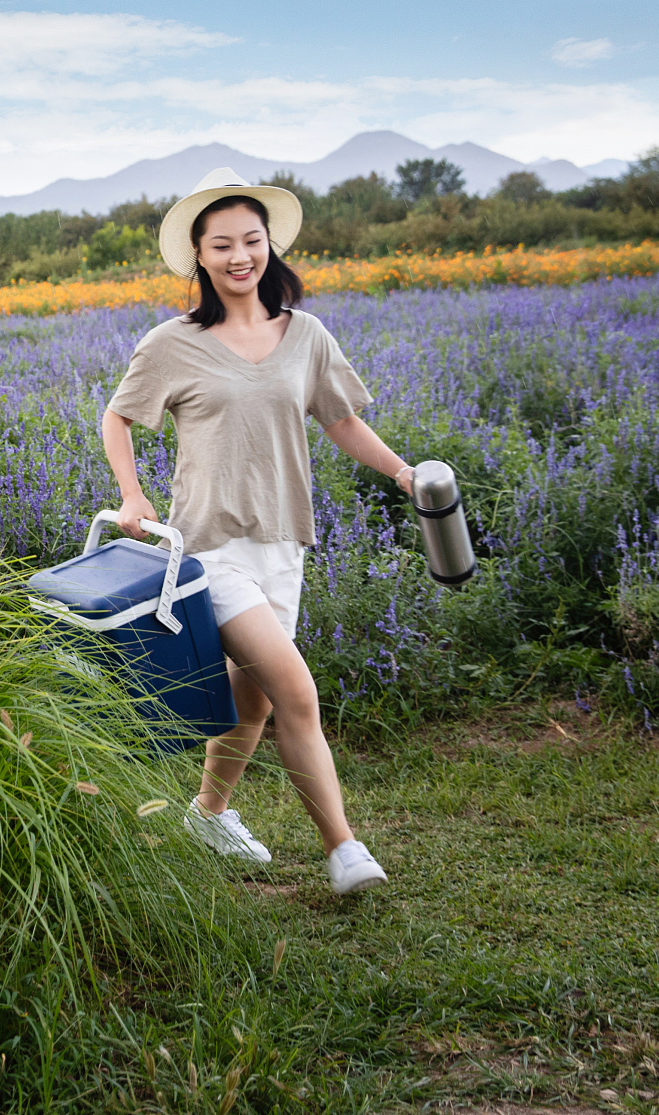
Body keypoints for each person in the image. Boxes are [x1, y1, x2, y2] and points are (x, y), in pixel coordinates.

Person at [100, 167, 418, 896]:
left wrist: (402, 473)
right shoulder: (173, 342)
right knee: (296, 691)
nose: (240, 255)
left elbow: (339, 418)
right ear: (200, 258)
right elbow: (117, 415)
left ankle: (208, 812)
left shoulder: (304, 335)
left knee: (255, 699)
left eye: (252, 239)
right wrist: (131, 491)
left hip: (283, 543)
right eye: (222, 245)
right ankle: (344, 850)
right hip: (209, 547)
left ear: (269, 245)